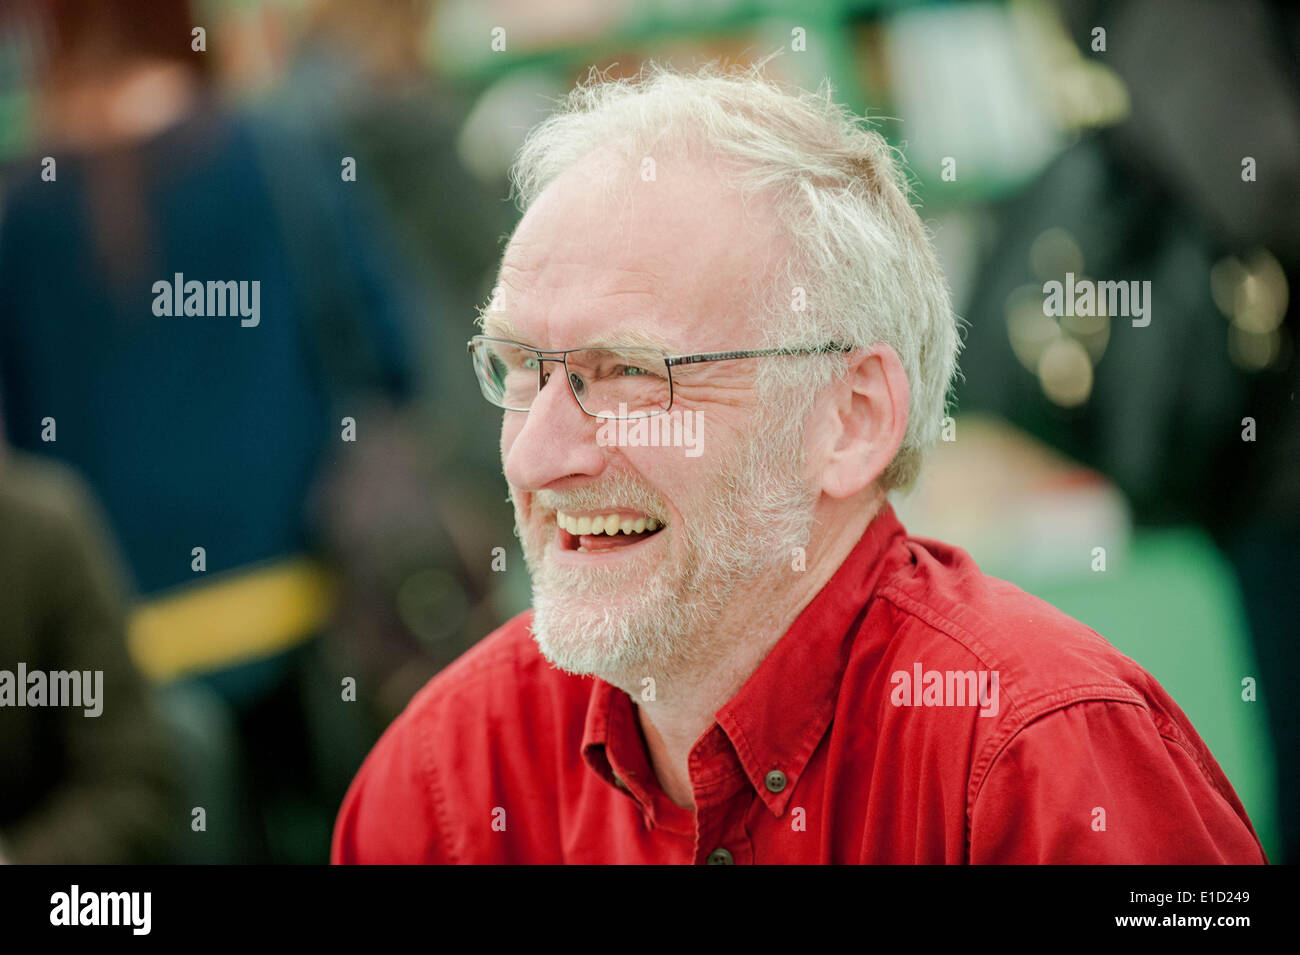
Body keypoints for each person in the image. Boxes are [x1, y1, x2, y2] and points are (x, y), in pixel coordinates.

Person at [331, 64, 1267, 864]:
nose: (539, 454)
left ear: (851, 420)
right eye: (522, 369)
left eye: (626, 374)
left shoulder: (1043, 760)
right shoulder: (442, 782)